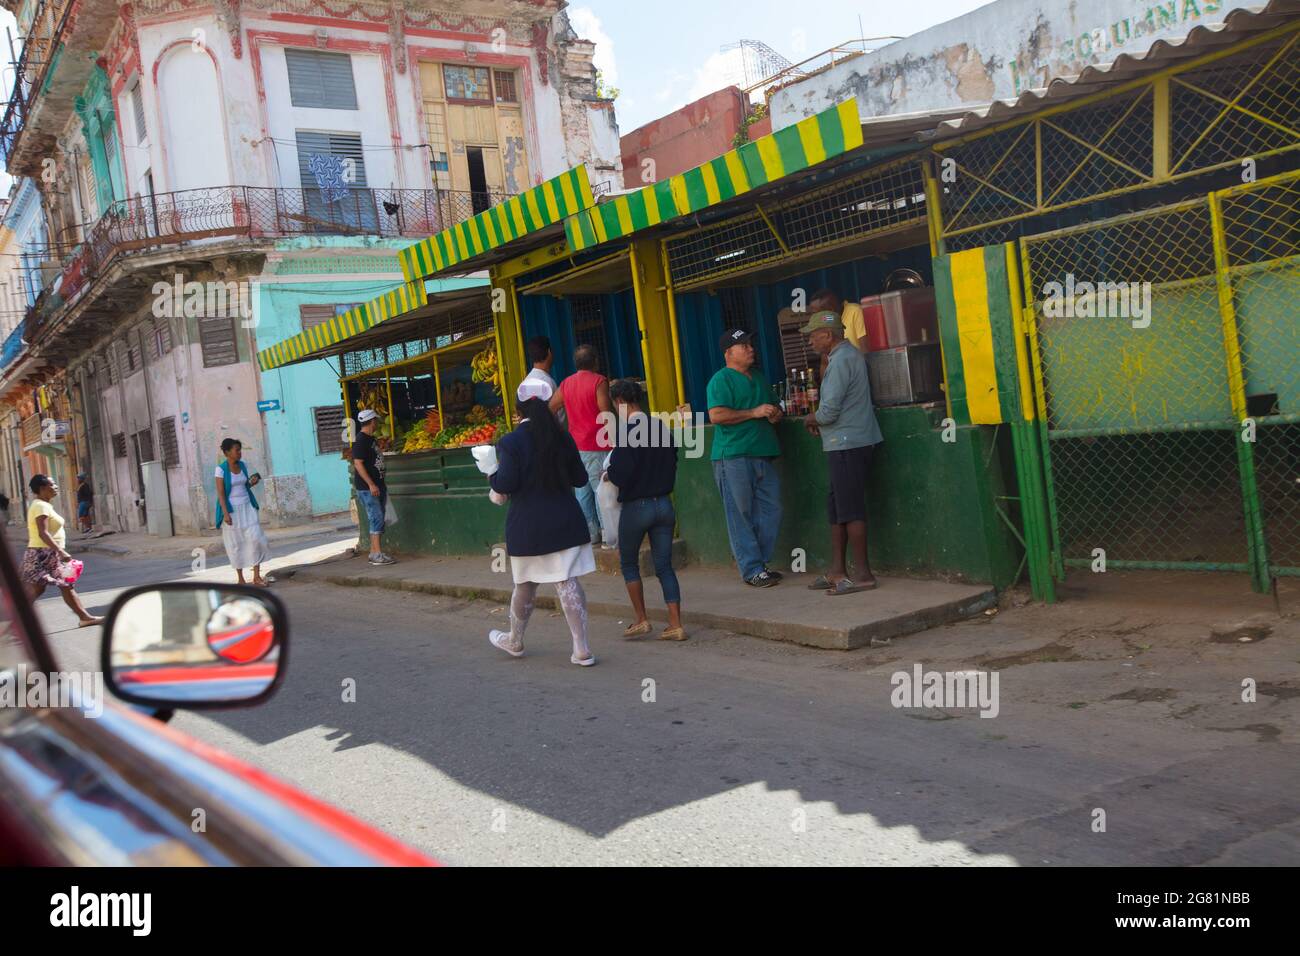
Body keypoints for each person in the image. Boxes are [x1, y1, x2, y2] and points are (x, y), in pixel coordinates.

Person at [488, 376, 597, 666]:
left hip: (529, 527)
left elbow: (506, 484)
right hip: (566, 522)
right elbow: (581, 478)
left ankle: (514, 640)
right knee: (567, 581)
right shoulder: (563, 437)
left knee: (525, 583)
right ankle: (581, 648)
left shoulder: (510, 442)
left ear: (518, 411)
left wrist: (490, 473)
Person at [800, 310, 884, 595]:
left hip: (849, 443)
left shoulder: (842, 361)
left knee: (850, 508)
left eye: (813, 335)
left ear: (828, 335)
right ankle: (837, 570)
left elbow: (828, 411)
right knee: (837, 508)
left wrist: (810, 419)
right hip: (844, 441)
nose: (810, 341)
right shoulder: (842, 358)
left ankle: (863, 575)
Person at [604, 379, 685, 641]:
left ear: (619, 403)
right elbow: (673, 458)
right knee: (664, 566)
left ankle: (641, 620)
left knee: (629, 563)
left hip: (637, 508)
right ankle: (675, 624)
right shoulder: (660, 426)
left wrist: (608, 475)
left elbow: (619, 473)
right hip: (664, 503)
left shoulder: (626, 432)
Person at [707, 329, 784, 587]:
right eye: (744, 345)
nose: (751, 349)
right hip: (733, 456)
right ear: (729, 353)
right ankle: (752, 569)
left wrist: (775, 414)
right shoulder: (721, 379)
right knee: (740, 513)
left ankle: (759, 564)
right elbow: (716, 416)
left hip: (763, 453)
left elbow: (775, 408)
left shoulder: (759, 377)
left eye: (751, 344)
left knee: (771, 510)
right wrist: (754, 412)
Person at [550, 344, 612, 546]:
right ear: (595, 361)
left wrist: (561, 433)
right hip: (596, 444)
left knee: (582, 491)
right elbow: (605, 413)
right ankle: (607, 536)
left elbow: (550, 408)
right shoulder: (599, 381)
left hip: (575, 446)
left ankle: (591, 535)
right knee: (600, 490)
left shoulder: (566, 384)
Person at [21, 474, 102, 627]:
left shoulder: (43, 505)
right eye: (52, 485)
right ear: (42, 488)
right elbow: (42, 532)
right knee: (39, 589)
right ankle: (15, 622)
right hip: (43, 553)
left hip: (45, 552)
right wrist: (60, 551)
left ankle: (85, 617)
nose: (56, 487)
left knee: (64, 584)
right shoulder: (41, 506)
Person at [214, 438, 272, 586]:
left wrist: (251, 483)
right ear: (227, 452)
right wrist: (225, 513)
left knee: (256, 539)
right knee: (236, 544)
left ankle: (257, 577)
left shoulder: (243, 466)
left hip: (248, 507)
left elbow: (244, 486)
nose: (239, 453)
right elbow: (221, 493)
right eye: (237, 450)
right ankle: (240, 579)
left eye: (240, 450)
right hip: (232, 511)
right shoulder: (220, 470)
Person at [351, 408, 395, 565]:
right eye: (375, 420)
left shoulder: (371, 439)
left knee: (378, 518)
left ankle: (374, 552)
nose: (377, 423)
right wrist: (371, 484)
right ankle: (376, 554)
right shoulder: (361, 441)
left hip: (377, 485)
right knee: (376, 518)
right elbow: (357, 463)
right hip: (368, 488)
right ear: (372, 422)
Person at [811, 288, 868, 379]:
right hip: (838, 376)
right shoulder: (827, 320)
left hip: (856, 375)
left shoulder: (855, 311)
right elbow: (824, 362)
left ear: (830, 310)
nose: (815, 317)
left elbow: (865, 352)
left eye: (817, 314)